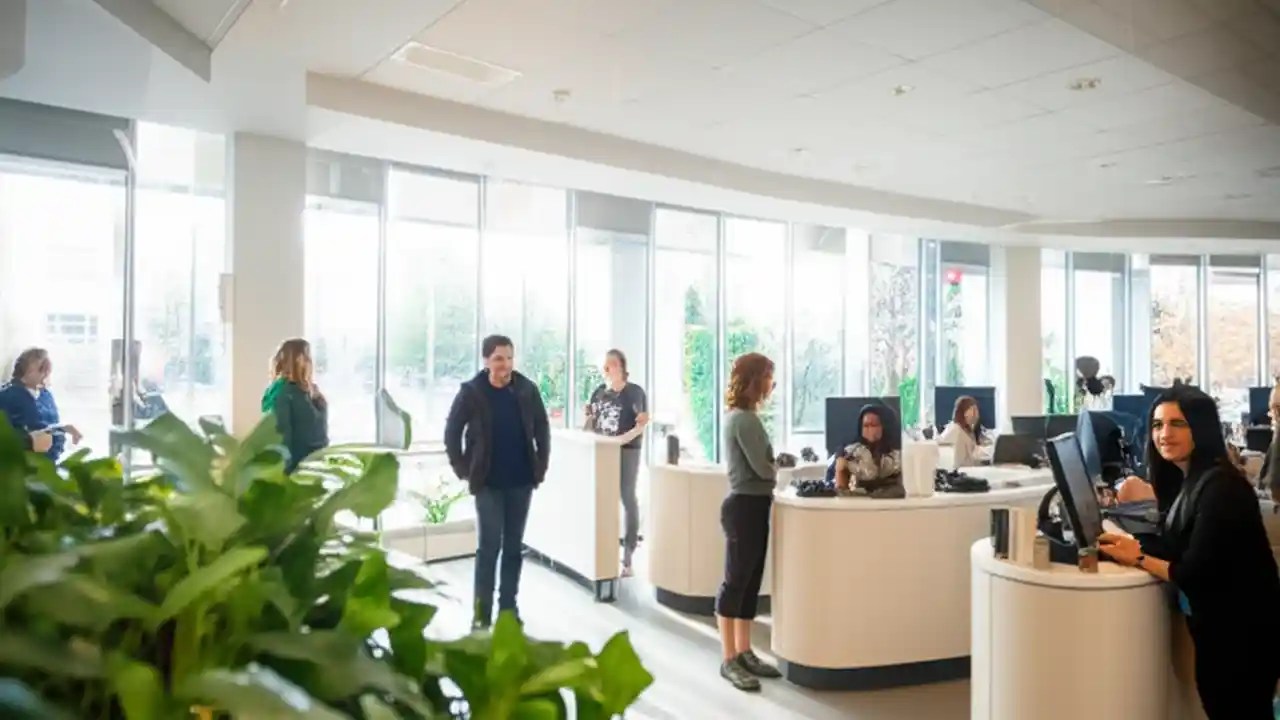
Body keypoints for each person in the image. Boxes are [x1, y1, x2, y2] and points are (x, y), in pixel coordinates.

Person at [1098, 385, 1280, 718]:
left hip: (1244, 638)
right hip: (1225, 632)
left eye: (1176, 424)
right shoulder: (1191, 480)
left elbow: (1194, 573)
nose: (1164, 434)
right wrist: (1131, 544)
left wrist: (1137, 557)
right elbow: (1178, 543)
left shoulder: (1221, 488)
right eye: (1157, 425)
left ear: (1201, 427)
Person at [445, 334, 550, 628]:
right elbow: (452, 432)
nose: (505, 365)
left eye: (509, 358)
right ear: (486, 361)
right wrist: (464, 468)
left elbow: (542, 429)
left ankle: (508, 609)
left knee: (514, 548)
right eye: (498, 359)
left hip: (521, 481)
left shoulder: (527, 389)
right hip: (488, 483)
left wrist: (540, 467)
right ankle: (482, 614)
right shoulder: (472, 392)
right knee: (489, 547)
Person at [716, 352, 781, 692]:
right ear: (756, 379)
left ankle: (743, 650)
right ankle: (729, 658)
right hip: (745, 507)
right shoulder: (746, 420)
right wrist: (776, 466)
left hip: (751, 505)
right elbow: (763, 468)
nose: (772, 383)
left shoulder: (742, 417)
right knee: (736, 581)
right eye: (769, 376)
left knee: (749, 581)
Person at [583, 349, 649, 576]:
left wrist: (637, 425)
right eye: (605, 365)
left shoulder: (634, 392)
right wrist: (588, 419)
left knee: (627, 495)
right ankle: (602, 551)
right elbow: (590, 423)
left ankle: (628, 555)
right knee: (602, 498)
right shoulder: (599, 392)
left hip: (627, 449)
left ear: (622, 367)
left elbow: (641, 422)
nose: (608, 369)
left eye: (612, 364)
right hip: (602, 451)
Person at [0, 347, 80, 461]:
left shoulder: (46, 395)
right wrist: (29, 442)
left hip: (49, 464)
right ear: (24, 370)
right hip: (20, 466)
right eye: (42, 368)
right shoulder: (7, 396)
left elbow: (51, 427)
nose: (46, 373)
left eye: (48, 369)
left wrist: (62, 430)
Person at [261, 339, 328, 473]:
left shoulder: (309, 390)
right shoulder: (283, 393)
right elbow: (281, 435)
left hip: (317, 463)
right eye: (306, 356)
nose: (310, 362)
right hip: (298, 467)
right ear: (296, 359)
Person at [834, 404, 904, 499]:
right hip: (862, 500)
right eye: (866, 425)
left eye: (874, 425)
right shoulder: (850, 451)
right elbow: (841, 489)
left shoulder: (898, 451)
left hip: (892, 499)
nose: (870, 429)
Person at [937, 395, 990, 467]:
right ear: (963, 412)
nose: (976, 414)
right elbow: (961, 460)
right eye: (972, 409)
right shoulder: (956, 430)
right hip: (961, 471)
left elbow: (973, 452)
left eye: (976, 410)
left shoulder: (965, 430)